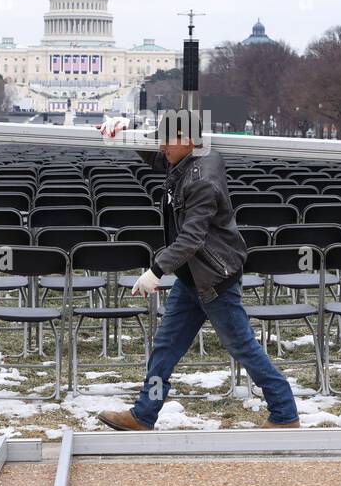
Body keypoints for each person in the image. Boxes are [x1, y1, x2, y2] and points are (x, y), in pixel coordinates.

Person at [97, 112, 300, 431]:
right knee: (165, 346)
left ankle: (285, 412)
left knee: (242, 347)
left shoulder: (201, 179)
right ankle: (144, 413)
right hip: (193, 276)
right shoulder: (190, 156)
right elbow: (157, 157)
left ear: (188, 139)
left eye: (168, 139)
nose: (161, 145)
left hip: (215, 279)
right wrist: (128, 132)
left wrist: (156, 271)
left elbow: (191, 238)